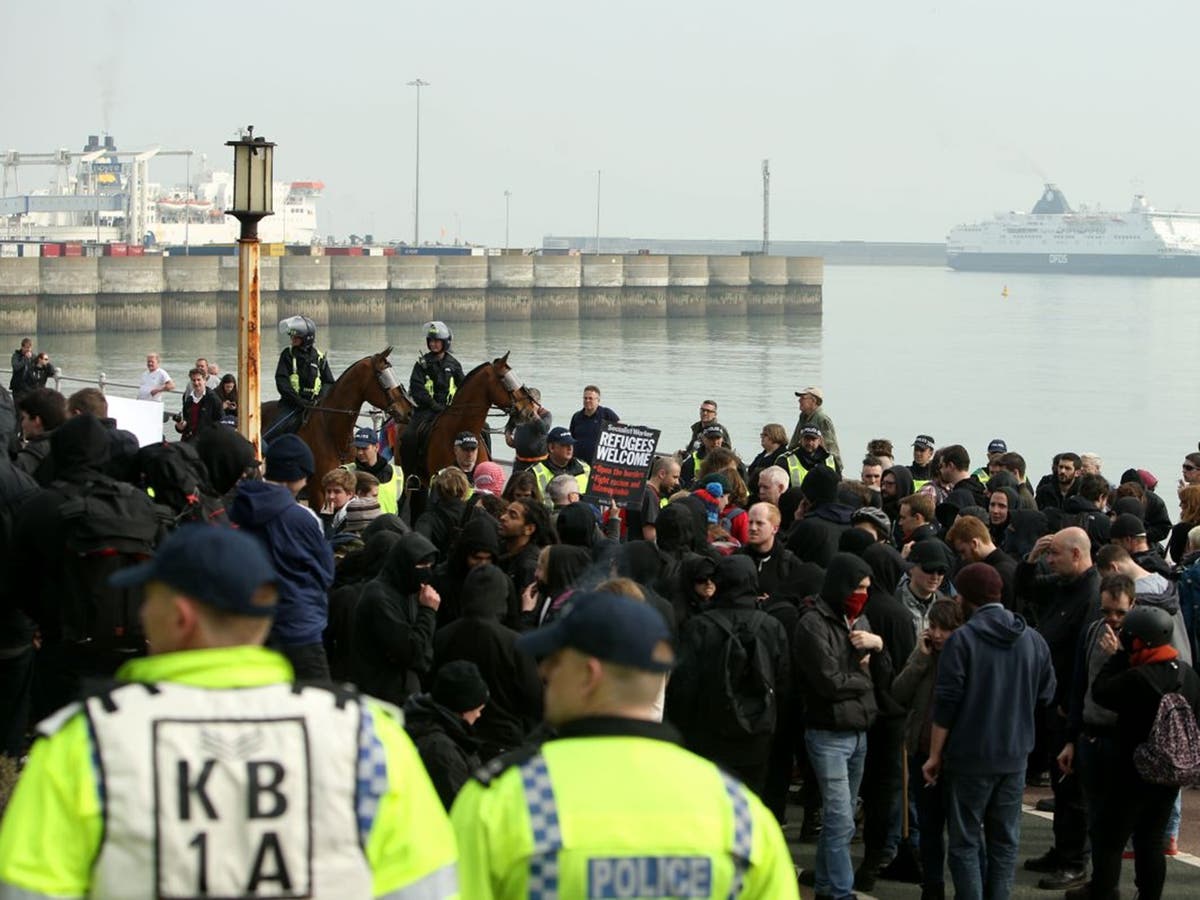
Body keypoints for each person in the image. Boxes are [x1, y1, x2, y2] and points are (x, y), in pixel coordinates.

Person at [0, 525, 459, 900]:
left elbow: (28, 888)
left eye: (149, 602)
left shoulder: (87, 742)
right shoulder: (367, 737)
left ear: (180, 617)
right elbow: (427, 884)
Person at [450, 590, 799, 899]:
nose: (544, 673)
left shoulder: (502, 803)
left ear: (589, 676)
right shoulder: (740, 815)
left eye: (555, 662)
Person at [922, 563, 1055, 900]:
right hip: (1014, 755)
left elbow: (946, 703)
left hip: (969, 755)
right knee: (1004, 843)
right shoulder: (1033, 639)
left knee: (965, 843)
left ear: (967, 598)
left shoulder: (962, 641)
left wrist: (935, 754)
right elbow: (1047, 694)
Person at [793, 553, 888, 900]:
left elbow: (882, 672)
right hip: (828, 732)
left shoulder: (858, 621)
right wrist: (863, 677)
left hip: (857, 729)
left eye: (866, 588)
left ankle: (826, 888)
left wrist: (878, 645)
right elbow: (828, 682)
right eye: (857, 587)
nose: (862, 594)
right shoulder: (812, 624)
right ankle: (841, 892)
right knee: (839, 819)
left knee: (842, 817)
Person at [1090, 604, 1200, 900]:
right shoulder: (1188, 675)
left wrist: (1117, 657)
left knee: (1110, 839)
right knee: (1151, 841)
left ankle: (1104, 892)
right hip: (1171, 772)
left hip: (1132, 770)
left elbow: (1100, 692)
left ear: (1139, 641)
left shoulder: (1137, 677)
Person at [1015, 526, 1098, 890]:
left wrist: (1071, 705)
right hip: (1052, 698)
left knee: (1072, 785)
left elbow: (1086, 657)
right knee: (1062, 785)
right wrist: (1031, 559)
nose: (1050, 561)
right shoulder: (1066, 585)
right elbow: (1026, 588)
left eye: (1055, 555)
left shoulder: (1091, 595)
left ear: (1077, 555)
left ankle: (1074, 861)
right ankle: (1062, 849)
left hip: (1069, 703)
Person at [668, 554, 790, 795]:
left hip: (708, 735)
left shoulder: (699, 627)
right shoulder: (771, 627)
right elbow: (784, 684)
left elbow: (684, 688)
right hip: (756, 736)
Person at [229, 434, 335, 680]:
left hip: (249, 628)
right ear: (300, 475)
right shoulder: (304, 518)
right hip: (299, 628)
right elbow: (325, 572)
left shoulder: (237, 507)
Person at [891, 598, 965, 900]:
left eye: (943, 629)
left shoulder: (964, 657)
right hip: (922, 750)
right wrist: (919, 660)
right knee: (930, 828)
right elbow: (899, 692)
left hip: (955, 756)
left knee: (962, 832)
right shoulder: (924, 654)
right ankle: (931, 886)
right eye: (932, 627)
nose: (936, 635)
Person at [434, 563, 544, 760]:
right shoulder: (514, 643)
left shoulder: (443, 636)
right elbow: (534, 697)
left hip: (454, 737)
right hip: (503, 742)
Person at [352, 532, 441, 705]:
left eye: (430, 565)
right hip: (380, 698)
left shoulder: (410, 592)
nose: (427, 572)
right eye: (422, 565)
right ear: (404, 564)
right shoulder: (379, 597)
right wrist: (428, 612)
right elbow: (410, 651)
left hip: (404, 694)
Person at [404, 659, 489, 810]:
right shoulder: (442, 749)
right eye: (477, 709)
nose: (478, 715)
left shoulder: (443, 732)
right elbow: (459, 807)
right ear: (463, 707)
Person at [271, 315, 335, 436]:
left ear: (307, 338)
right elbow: (282, 381)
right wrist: (299, 401)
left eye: (296, 337)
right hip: (291, 406)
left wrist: (319, 400)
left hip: (315, 406)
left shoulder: (320, 358)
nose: (292, 339)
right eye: (292, 336)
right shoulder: (287, 355)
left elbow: (329, 383)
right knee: (272, 432)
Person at [409, 320, 465, 422]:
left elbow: (464, 387)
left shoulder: (454, 365)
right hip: (426, 412)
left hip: (450, 411)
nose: (433, 344)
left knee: (483, 428)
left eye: (436, 341)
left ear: (445, 342)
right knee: (408, 435)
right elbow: (416, 388)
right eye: (431, 341)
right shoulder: (422, 364)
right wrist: (433, 405)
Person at [344, 426, 404, 515]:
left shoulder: (397, 473)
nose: (360, 452)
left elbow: (401, 505)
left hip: (388, 526)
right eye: (357, 448)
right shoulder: (347, 472)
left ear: (376, 447)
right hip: (358, 526)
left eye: (364, 448)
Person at [627, 455, 681, 542]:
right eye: (675, 477)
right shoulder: (649, 495)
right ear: (662, 474)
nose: (677, 483)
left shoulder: (644, 492)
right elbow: (651, 537)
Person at [14, 387, 65, 477]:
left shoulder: (26, 461)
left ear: (37, 421)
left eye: (24, 418)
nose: (22, 424)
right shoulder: (71, 449)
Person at [530, 426, 590, 500]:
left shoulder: (585, 468)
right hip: (550, 511)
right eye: (564, 445)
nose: (570, 448)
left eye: (571, 444)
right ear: (551, 447)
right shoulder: (535, 473)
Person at [788, 386, 841, 468]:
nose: (799, 400)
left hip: (820, 464)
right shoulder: (803, 417)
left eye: (803, 398)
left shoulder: (822, 419)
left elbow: (831, 448)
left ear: (814, 401)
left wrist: (837, 468)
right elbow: (794, 441)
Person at [568, 384, 619, 465]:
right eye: (585, 398)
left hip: (600, 463)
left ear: (598, 400)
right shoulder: (577, 416)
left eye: (590, 398)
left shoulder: (606, 414)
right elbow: (571, 438)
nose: (587, 400)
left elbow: (623, 432)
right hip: (579, 462)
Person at [506, 386, 552, 472]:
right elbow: (509, 425)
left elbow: (544, 430)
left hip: (539, 461)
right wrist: (507, 435)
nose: (528, 405)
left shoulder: (546, 414)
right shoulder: (519, 412)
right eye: (527, 401)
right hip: (520, 461)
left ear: (538, 402)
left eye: (531, 402)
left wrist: (535, 415)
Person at [776, 424, 837, 489]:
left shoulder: (830, 460)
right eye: (807, 439)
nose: (810, 443)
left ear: (819, 440)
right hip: (796, 498)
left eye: (813, 439)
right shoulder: (785, 460)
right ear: (800, 439)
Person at [173, 367, 223, 442]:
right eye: (193, 380)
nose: (196, 383)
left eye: (198, 380)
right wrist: (180, 426)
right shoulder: (189, 400)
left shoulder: (213, 399)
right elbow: (186, 424)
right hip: (189, 440)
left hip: (206, 441)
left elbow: (220, 421)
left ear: (205, 380)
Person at [748, 423, 789, 488]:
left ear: (775, 436)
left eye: (765, 435)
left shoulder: (783, 456)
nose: (762, 437)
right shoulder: (762, 455)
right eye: (762, 435)